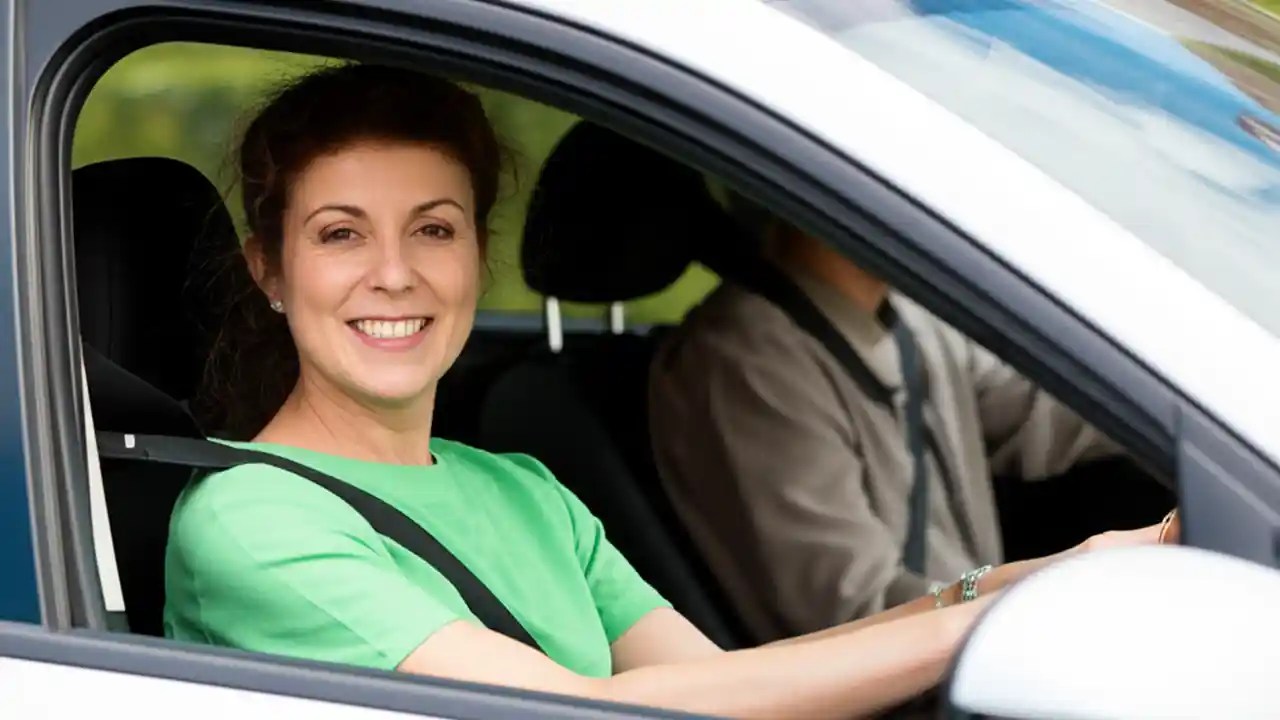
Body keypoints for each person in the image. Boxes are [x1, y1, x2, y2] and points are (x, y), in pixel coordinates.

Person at [165, 62, 1177, 719]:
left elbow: (711, 685)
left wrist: (1034, 581)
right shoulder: (249, 520)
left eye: (432, 228)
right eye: (341, 234)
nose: (394, 274)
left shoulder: (524, 490)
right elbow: (592, 713)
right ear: (269, 271)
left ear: (476, 255)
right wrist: (979, 628)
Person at [647, 210, 1146, 645]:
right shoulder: (747, 360)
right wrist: (1046, 624)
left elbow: (1044, 412)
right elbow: (857, 617)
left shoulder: (911, 322)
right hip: (924, 679)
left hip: (965, 650)